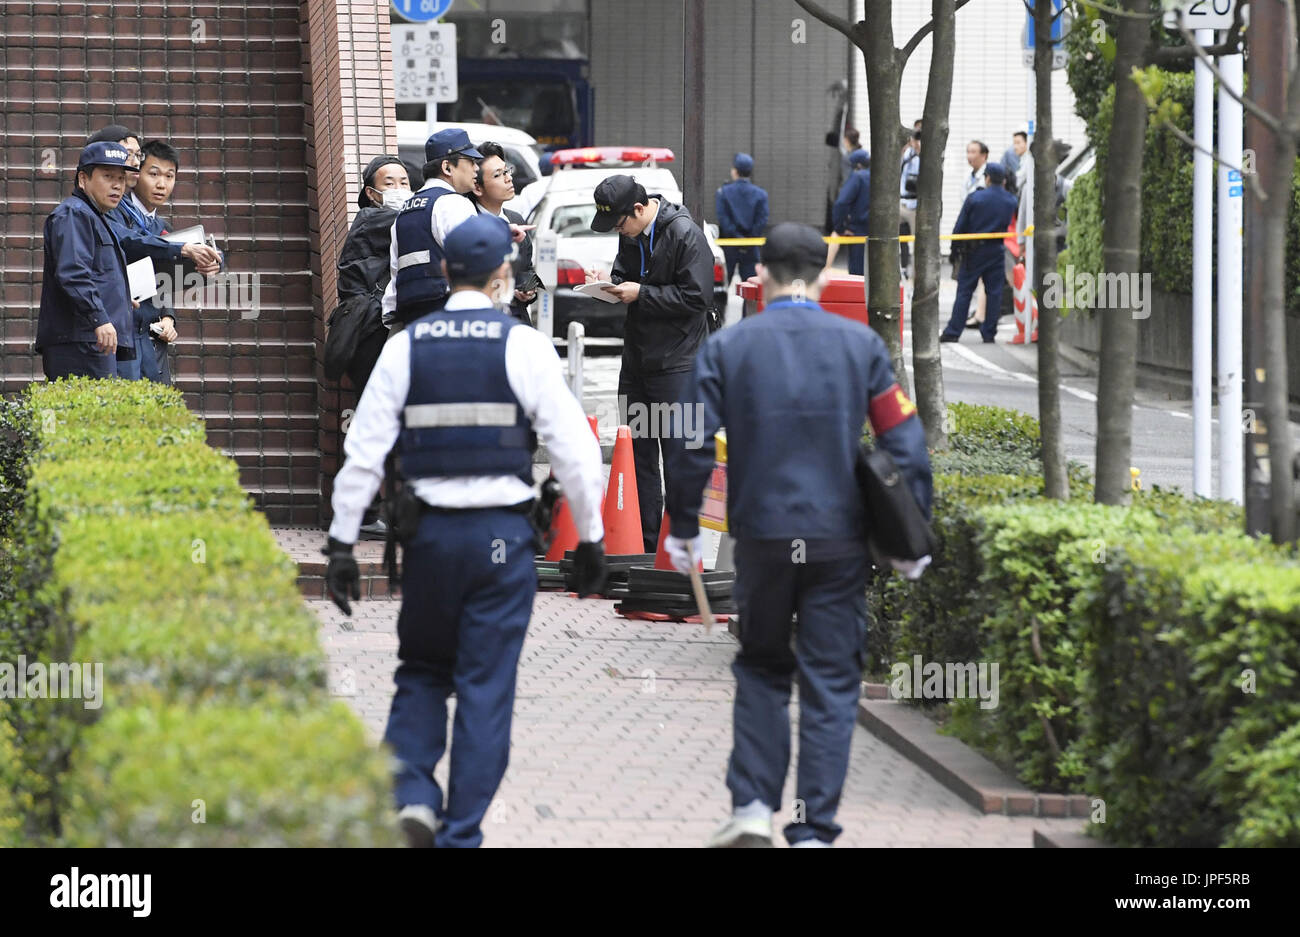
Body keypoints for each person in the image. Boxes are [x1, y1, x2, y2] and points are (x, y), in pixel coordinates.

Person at [323, 214, 609, 848]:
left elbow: (364, 451)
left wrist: (342, 545)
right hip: (501, 543)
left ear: (445, 271)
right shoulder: (524, 346)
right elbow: (576, 453)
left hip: (427, 542)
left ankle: (412, 799)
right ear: (503, 273)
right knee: (485, 686)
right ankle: (461, 834)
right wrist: (590, 540)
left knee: (423, 670)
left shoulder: (406, 345)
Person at [662, 222, 933, 848]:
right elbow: (906, 444)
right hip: (839, 538)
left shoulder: (729, 347)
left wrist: (682, 530)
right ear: (827, 270)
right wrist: (912, 537)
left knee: (760, 667)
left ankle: (753, 806)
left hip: (760, 537)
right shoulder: (860, 345)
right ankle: (813, 828)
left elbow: (690, 440)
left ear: (760, 273)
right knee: (832, 680)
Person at [585, 174, 714, 552]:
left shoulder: (685, 234)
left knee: (678, 456)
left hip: (679, 364)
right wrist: (607, 284)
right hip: (638, 361)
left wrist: (641, 293)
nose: (619, 233)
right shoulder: (631, 235)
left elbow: (696, 298)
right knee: (638, 452)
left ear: (639, 209)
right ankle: (642, 544)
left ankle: (678, 550)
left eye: (620, 224)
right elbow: (625, 276)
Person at [380, 129, 527, 330]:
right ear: (447, 167)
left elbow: (396, 271)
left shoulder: (406, 209)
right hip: (451, 316)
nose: (476, 169)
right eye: (470, 162)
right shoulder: (453, 203)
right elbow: (475, 256)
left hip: (412, 320)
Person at [35, 142, 137, 379]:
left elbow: (93, 274)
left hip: (93, 339)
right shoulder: (74, 213)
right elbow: (73, 273)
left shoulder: (93, 216)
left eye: (121, 179)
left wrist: (118, 298)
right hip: (82, 340)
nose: (117, 185)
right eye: (108, 176)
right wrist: (99, 317)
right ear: (83, 179)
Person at [109, 140, 188, 383]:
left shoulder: (164, 228)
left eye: (169, 176)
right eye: (153, 174)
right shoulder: (114, 213)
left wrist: (168, 317)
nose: (161, 184)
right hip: (121, 334)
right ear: (136, 175)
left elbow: (164, 281)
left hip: (153, 342)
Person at [941, 163, 1020, 344]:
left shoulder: (975, 198)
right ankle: (989, 332)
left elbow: (960, 226)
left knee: (965, 291)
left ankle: (953, 331)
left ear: (987, 178)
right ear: (1004, 180)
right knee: (994, 292)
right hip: (997, 250)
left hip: (974, 251)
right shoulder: (1010, 201)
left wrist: (954, 249)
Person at [468, 141, 539, 325]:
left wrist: (528, 290)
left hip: (517, 319)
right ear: (477, 188)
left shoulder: (516, 218)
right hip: (482, 320)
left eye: (507, 171)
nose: (508, 178)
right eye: (498, 175)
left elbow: (527, 269)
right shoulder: (468, 223)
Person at [715, 152, 769, 284]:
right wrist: (748, 239)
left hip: (729, 245)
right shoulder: (761, 194)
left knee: (723, 287)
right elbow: (762, 220)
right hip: (751, 246)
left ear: (735, 171)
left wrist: (737, 237)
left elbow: (723, 218)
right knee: (752, 287)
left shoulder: (723, 192)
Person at [961, 141, 990, 331]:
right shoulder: (968, 176)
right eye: (968, 151)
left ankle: (982, 314)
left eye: (974, 152)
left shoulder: (988, 178)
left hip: (983, 231)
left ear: (984, 155)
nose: (970, 155)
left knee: (983, 277)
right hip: (970, 231)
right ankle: (979, 312)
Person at [832, 149, 870, 276]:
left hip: (858, 232)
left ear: (857, 165)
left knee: (858, 275)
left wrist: (840, 228)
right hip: (881, 232)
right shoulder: (883, 177)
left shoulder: (858, 177)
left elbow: (841, 203)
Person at [899, 124, 922, 280]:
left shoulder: (926, 157)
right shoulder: (907, 153)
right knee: (900, 240)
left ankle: (916, 275)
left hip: (916, 206)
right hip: (901, 203)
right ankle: (901, 269)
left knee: (918, 243)